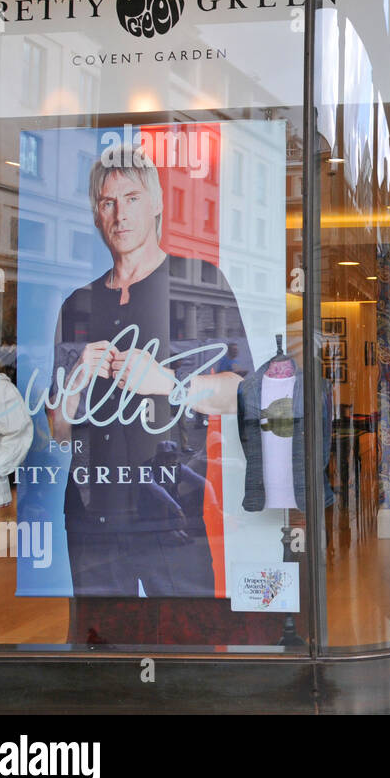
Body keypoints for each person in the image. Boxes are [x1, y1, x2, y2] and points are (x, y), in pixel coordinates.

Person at [48, 145, 251, 597]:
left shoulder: (198, 281)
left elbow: (241, 391)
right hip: (90, 519)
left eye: (132, 198)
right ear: (96, 215)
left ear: (157, 204)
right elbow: (60, 432)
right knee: (99, 654)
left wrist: (170, 385)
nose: (120, 214)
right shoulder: (76, 305)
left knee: (187, 653)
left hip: (173, 515)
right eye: (107, 202)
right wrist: (76, 386)